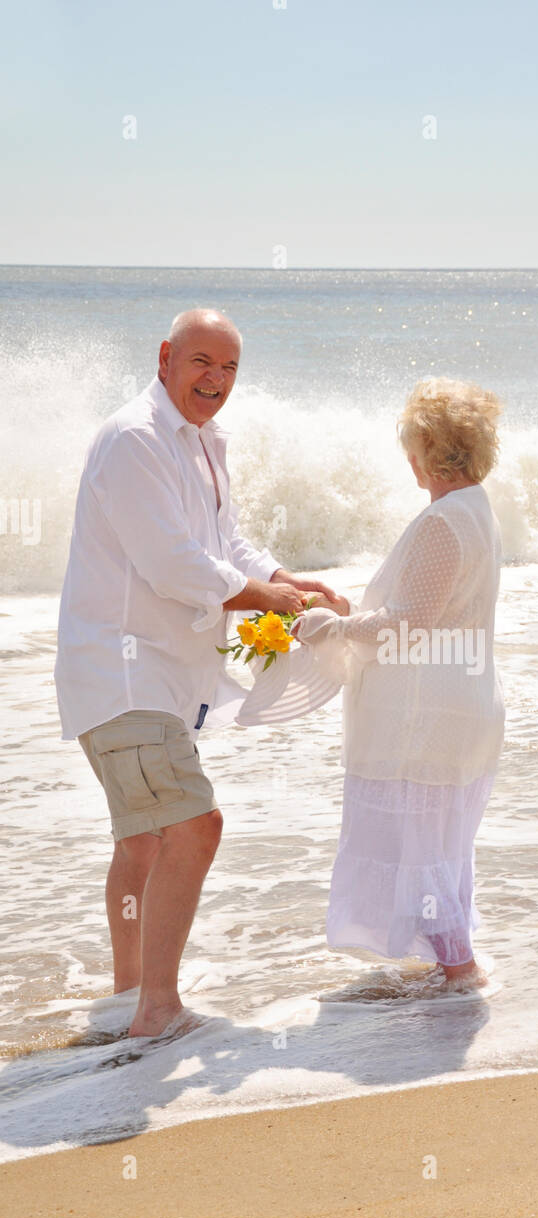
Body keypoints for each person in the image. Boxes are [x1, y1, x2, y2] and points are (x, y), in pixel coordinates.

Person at [54, 308, 345, 1038]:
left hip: (157, 679)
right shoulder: (134, 440)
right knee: (195, 825)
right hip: (120, 674)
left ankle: (130, 996)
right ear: (164, 358)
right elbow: (169, 563)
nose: (215, 380)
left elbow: (224, 543)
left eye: (229, 368)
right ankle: (157, 1011)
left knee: (145, 840)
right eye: (201, 362)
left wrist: (285, 580)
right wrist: (260, 599)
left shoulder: (207, 441)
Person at [289, 378, 505, 986]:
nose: (409, 459)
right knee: (438, 842)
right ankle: (454, 964)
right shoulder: (477, 509)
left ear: (430, 450)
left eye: (413, 445)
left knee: (420, 845)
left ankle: (460, 970)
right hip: (462, 701)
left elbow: (408, 623)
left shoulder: (445, 519)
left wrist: (332, 628)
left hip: (428, 713)